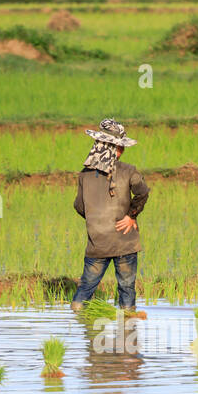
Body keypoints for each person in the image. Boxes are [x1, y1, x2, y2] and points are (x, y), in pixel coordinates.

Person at [72, 118, 150, 313]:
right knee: (126, 288)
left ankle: (76, 317)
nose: (122, 151)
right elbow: (143, 192)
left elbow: (79, 206)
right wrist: (131, 216)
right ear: (116, 148)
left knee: (86, 287)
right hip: (124, 239)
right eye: (120, 147)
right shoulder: (128, 170)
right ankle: (128, 324)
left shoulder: (84, 174)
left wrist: (96, 220)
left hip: (97, 241)